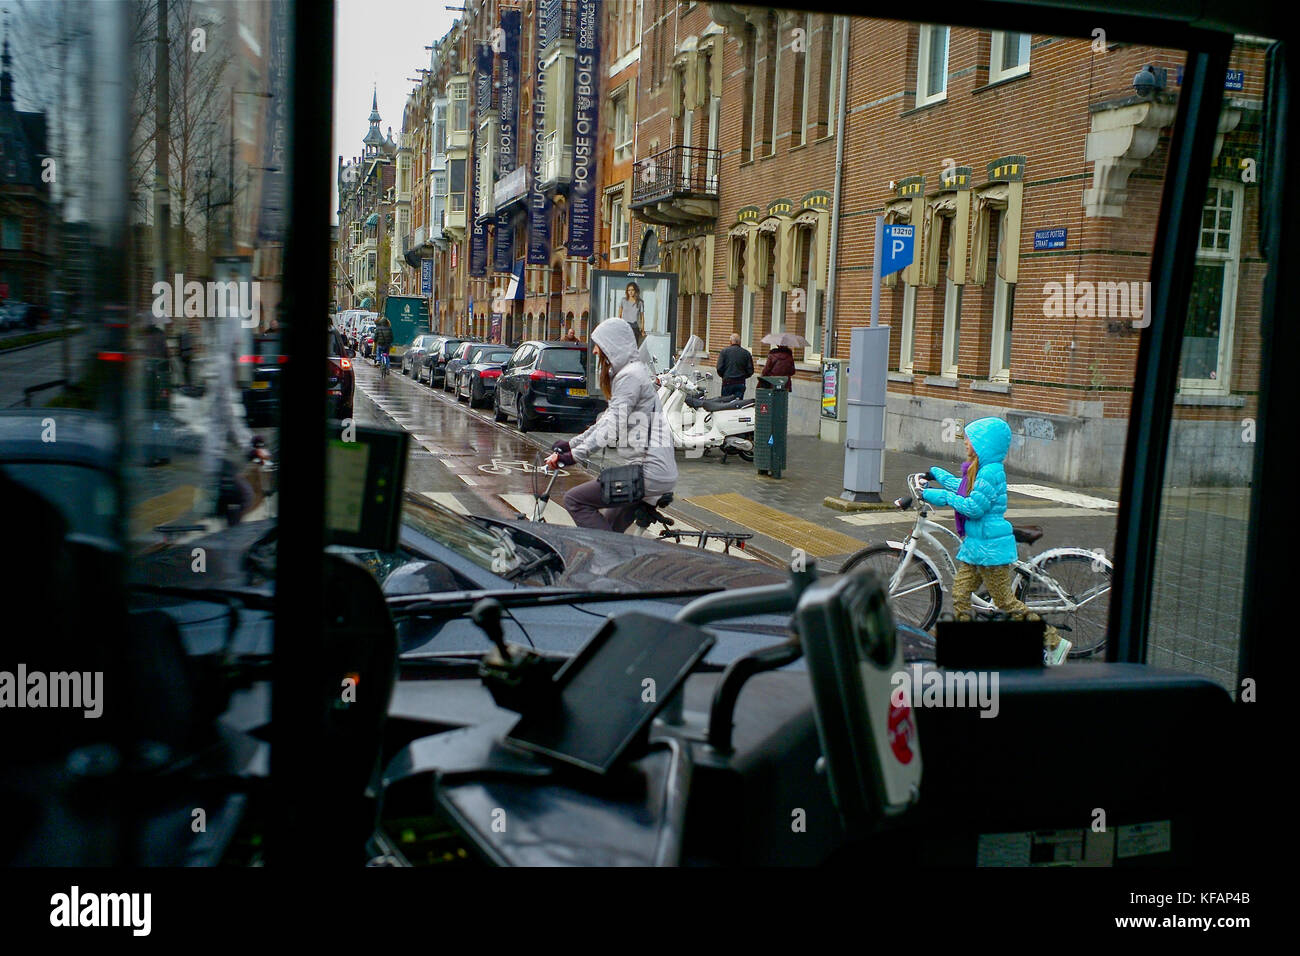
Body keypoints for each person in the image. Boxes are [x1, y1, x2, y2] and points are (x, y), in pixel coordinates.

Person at [921, 417, 1073, 666]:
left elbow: (974, 506)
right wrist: (938, 475)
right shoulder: (978, 469)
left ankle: (1054, 642)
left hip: (990, 549)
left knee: (1004, 601)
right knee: (960, 594)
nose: (966, 444)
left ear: (983, 445)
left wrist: (941, 496)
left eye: (970, 440)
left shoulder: (991, 472)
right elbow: (963, 488)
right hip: (977, 547)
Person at [546, 318, 677, 532]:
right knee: (611, 528)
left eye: (598, 344)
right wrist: (573, 444)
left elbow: (612, 426)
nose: (595, 351)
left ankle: (610, 555)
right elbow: (607, 419)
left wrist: (573, 456)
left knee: (575, 500)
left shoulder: (630, 377)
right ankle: (620, 561)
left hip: (648, 472)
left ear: (612, 345)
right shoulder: (630, 373)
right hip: (651, 470)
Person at [715, 333, 755, 401]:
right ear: (740, 342)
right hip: (740, 382)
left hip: (727, 382)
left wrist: (724, 376)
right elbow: (750, 370)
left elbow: (719, 368)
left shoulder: (724, 352)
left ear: (730, 342)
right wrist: (743, 376)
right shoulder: (746, 353)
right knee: (738, 403)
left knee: (725, 403)